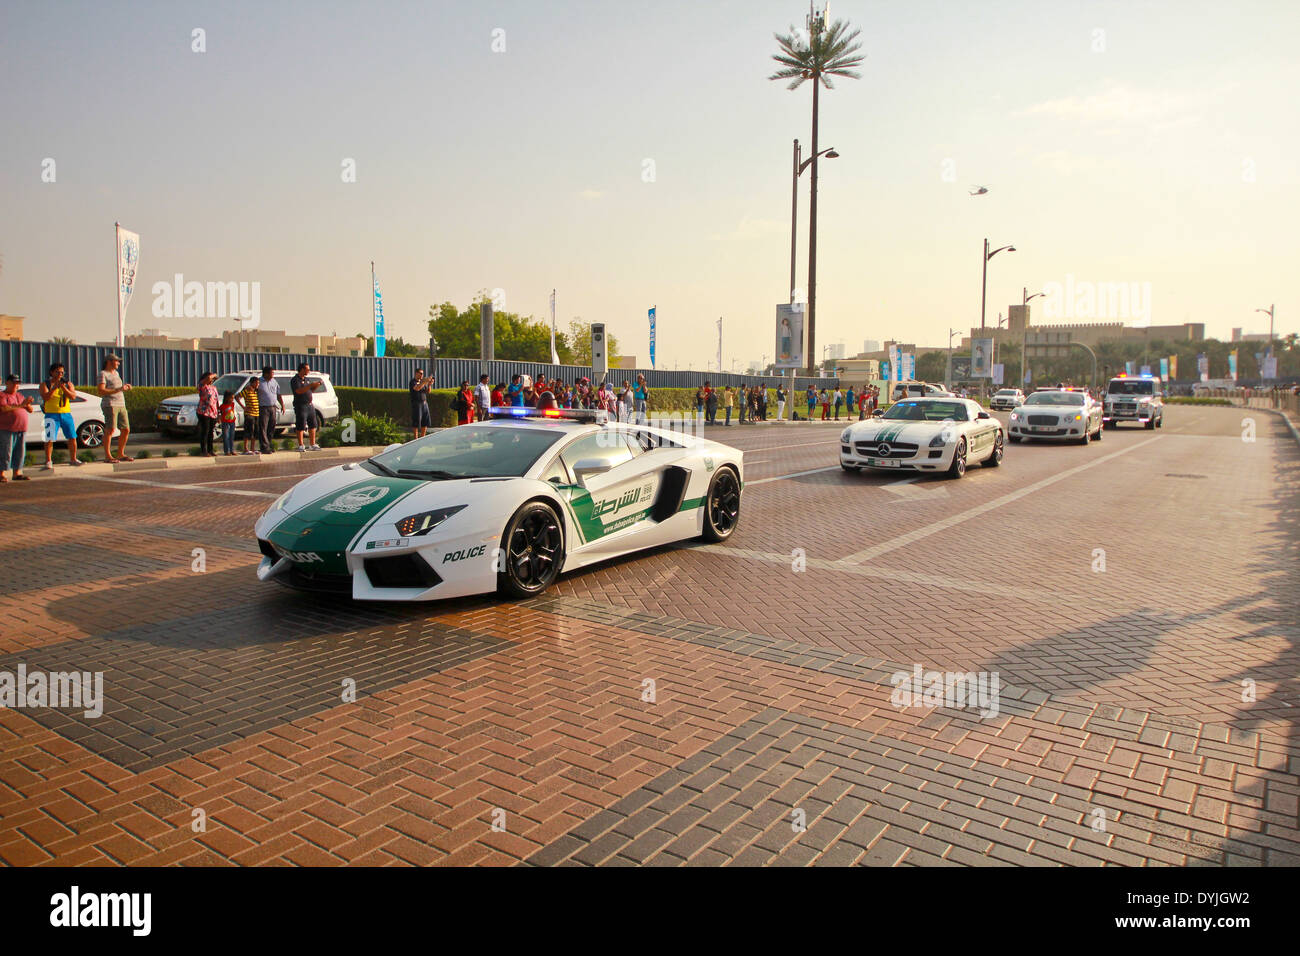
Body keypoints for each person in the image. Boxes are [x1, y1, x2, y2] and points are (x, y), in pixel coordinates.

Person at [40, 363, 80, 469]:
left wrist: (63, 387)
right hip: (51, 414)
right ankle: (48, 460)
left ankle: (73, 458)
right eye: (57, 372)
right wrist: (54, 388)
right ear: (52, 372)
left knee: (72, 437)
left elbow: (73, 396)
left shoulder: (68, 384)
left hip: (66, 413)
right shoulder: (45, 384)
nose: (60, 374)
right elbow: (45, 397)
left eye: (62, 372)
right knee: (50, 438)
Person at [96, 353, 134, 462]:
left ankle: (120, 454)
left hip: (121, 404)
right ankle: (108, 456)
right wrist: (119, 389)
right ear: (109, 362)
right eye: (116, 361)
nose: (118, 363)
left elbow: (118, 388)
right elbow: (101, 390)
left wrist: (125, 387)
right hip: (110, 404)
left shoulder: (116, 373)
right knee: (110, 429)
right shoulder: (103, 374)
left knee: (126, 429)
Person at [0, 374, 33, 482]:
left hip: (21, 428)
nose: (16, 385)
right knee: (5, 451)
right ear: (7, 383)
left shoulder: (19, 395)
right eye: (13, 383)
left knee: (20, 452)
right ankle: (1, 473)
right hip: (7, 429)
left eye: (17, 383)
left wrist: (27, 404)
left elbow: (30, 410)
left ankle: (17, 473)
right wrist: (21, 405)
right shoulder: (2, 395)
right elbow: (4, 408)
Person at [291, 362, 323, 451]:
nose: (308, 371)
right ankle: (301, 445)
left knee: (313, 424)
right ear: (302, 369)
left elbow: (311, 390)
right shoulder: (295, 380)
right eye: (307, 369)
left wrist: (316, 385)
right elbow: (299, 391)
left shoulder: (307, 379)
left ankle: (312, 444)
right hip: (301, 405)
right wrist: (310, 385)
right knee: (301, 425)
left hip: (310, 405)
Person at [256, 366, 282, 454]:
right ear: (265, 374)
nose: (273, 375)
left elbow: (278, 394)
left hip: (273, 407)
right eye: (271, 373)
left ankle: (269, 445)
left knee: (272, 427)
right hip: (263, 407)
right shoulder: (258, 382)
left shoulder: (274, 381)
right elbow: (252, 391)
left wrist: (282, 405)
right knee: (263, 427)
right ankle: (264, 447)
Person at [196, 371, 219, 457]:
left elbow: (216, 400)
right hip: (204, 411)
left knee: (211, 432)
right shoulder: (202, 386)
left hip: (213, 412)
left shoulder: (213, 388)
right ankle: (204, 450)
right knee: (205, 431)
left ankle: (211, 450)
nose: (211, 380)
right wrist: (212, 375)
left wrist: (218, 412)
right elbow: (208, 379)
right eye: (210, 378)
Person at [235, 376, 260, 454]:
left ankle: (252, 448)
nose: (258, 384)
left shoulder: (256, 391)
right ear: (252, 383)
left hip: (256, 414)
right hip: (249, 414)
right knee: (248, 431)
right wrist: (243, 407)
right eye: (256, 383)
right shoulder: (247, 390)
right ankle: (245, 449)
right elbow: (237, 397)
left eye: (258, 383)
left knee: (255, 432)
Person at [409, 368, 433, 438]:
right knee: (416, 422)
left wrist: (429, 384)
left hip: (424, 404)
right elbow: (417, 388)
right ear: (416, 373)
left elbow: (428, 392)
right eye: (421, 373)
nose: (422, 375)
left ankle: (423, 437)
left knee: (425, 422)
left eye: (423, 373)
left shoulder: (422, 382)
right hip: (417, 404)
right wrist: (424, 382)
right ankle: (415, 439)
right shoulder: (413, 382)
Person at [219, 390, 238, 456]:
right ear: (227, 398)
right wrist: (219, 419)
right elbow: (220, 413)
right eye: (231, 398)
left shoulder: (232, 404)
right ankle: (227, 451)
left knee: (231, 436)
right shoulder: (222, 406)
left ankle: (232, 450)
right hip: (225, 422)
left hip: (232, 422)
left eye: (233, 398)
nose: (232, 400)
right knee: (226, 437)